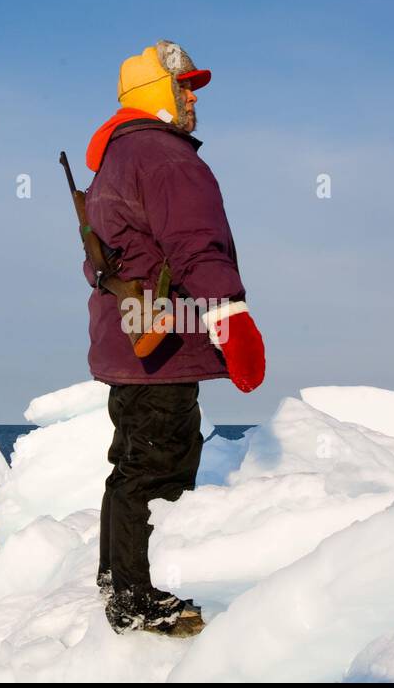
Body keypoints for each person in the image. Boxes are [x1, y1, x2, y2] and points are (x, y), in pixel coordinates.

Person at [82, 40, 266, 637]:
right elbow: (195, 241)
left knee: (130, 462)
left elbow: (108, 262)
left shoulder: (115, 160)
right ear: (155, 94)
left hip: (128, 341)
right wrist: (230, 315)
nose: (192, 97)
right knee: (155, 466)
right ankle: (133, 602)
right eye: (184, 87)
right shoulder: (165, 158)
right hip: (163, 345)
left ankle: (118, 580)